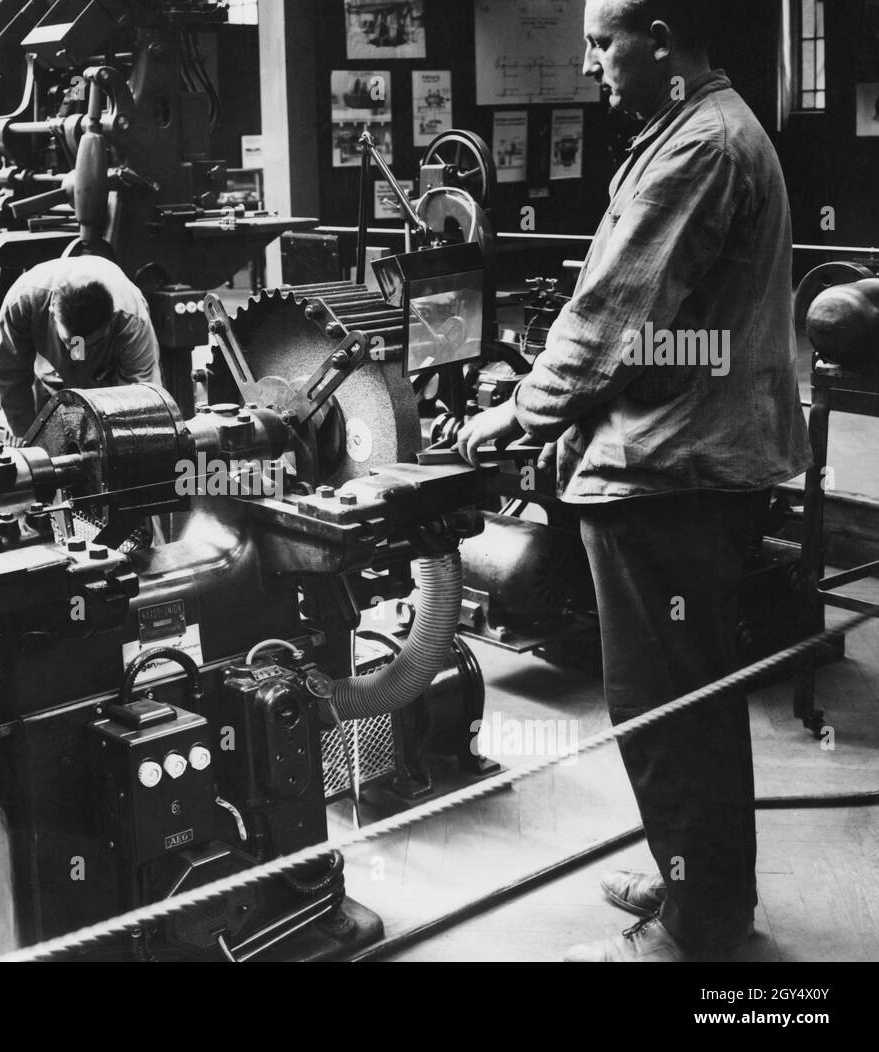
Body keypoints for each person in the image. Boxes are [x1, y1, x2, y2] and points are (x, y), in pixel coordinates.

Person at [457, 0, 810, 961]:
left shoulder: (700, 148)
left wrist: (517, 413)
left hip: (671, 474)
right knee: (684, 699)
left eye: (602, 43)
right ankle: (697, 888)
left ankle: (697, 927)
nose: (588, 65)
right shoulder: (692, 131)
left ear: (660, 37)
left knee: (666, 709)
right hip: (684, 461)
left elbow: (614, 315)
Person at [0, 255, 162, 441]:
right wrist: (24, 435)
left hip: (107, 378)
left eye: (90, 343)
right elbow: (10, 375)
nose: (79, 351)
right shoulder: (23, 302)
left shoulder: (131, 320)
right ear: (52, 312)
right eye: (72, 342)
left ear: (110, 321)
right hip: (49, 376)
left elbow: (141, 396)